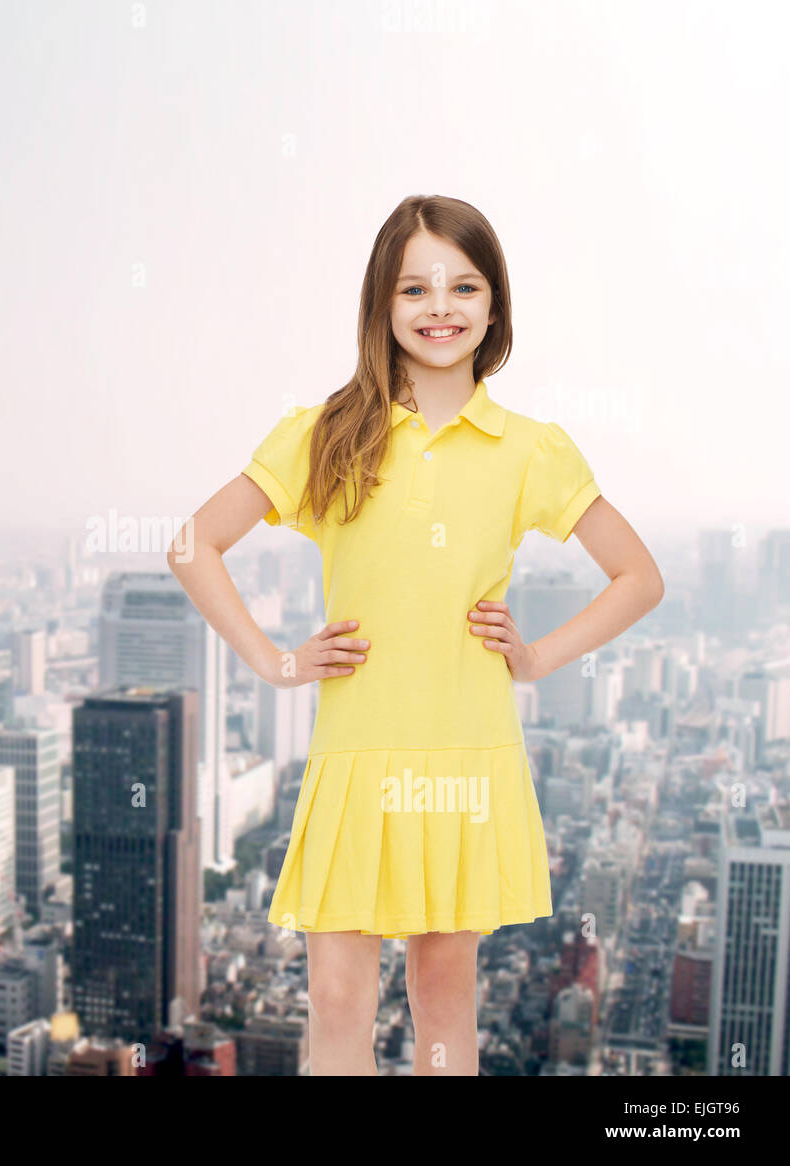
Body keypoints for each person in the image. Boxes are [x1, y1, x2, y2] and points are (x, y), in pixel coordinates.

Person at [166, 195, 664, 1076]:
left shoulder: (528, 449)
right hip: (357, 754)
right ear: (382, 307)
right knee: (339, 1000)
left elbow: (639, 577)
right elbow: (191, 542)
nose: (441, 307)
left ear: (495, 305)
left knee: (443, 998)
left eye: (464, 285)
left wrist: (539, 655)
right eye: (415, 288)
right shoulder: (327, 433)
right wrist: (275, 660)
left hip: (469, 752)